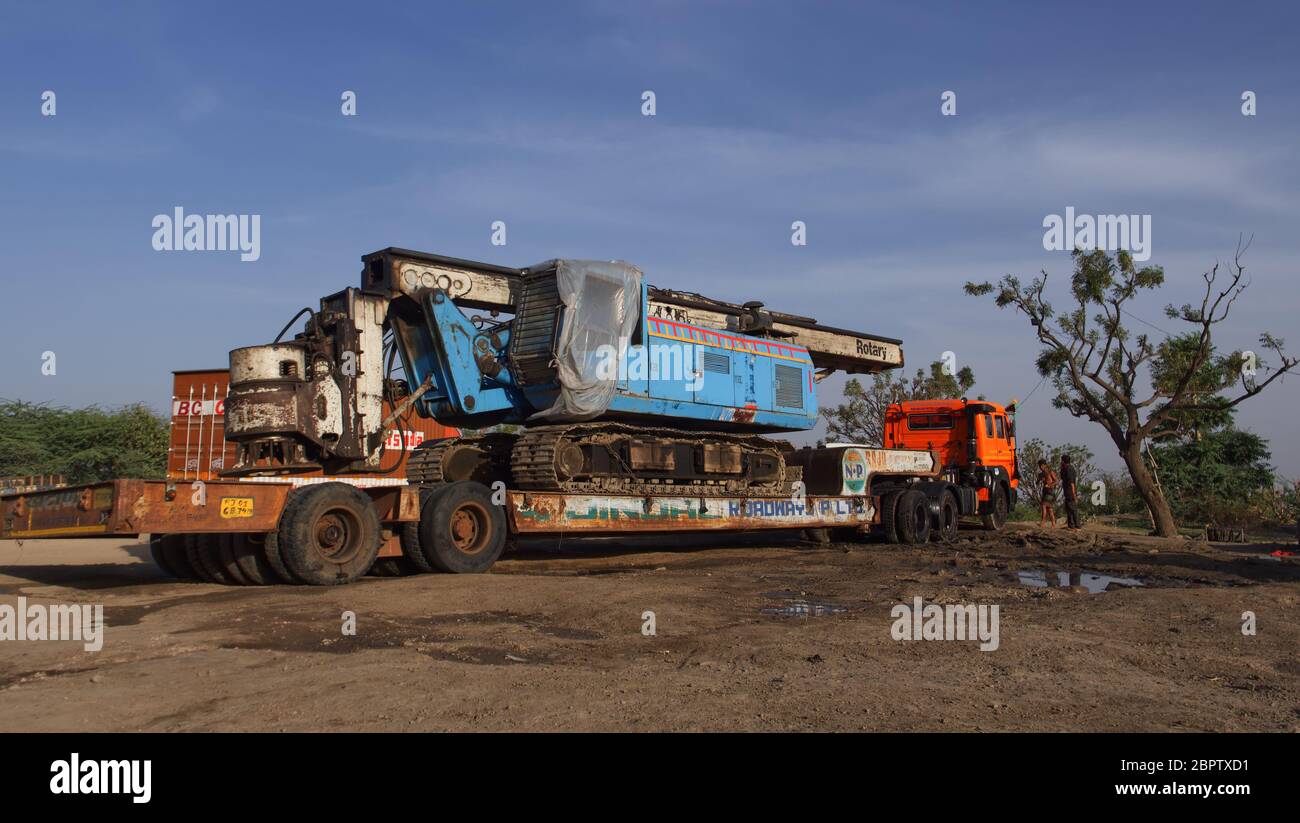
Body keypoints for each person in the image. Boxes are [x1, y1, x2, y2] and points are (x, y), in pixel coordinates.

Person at [1060, 454, 1080, 530]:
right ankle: (1071, 526)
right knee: (1068, 509)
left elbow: (1071, 482)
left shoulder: (1069, 469)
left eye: (1061, 460)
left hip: (1070, 491)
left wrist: (1074, 494)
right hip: (1067, 492)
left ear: (1063, 461)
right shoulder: (1065, 469)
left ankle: (1077, 526)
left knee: (1073, 509)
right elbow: (1062, 477)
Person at [1037, 459, 1058, 528]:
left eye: (1041, 466)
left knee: (1044, 506)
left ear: (1044, 465)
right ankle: (1053, 524)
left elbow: (1056, 481)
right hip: (1045, 492)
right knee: (1049, 509)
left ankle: (1043, 523)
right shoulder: (1041, 474)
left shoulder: (1050, 472)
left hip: (1050, 492)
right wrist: (1039, 479)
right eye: (1039, 466)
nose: (1040, 467)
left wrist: (1050, 485)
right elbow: (1037, 483)